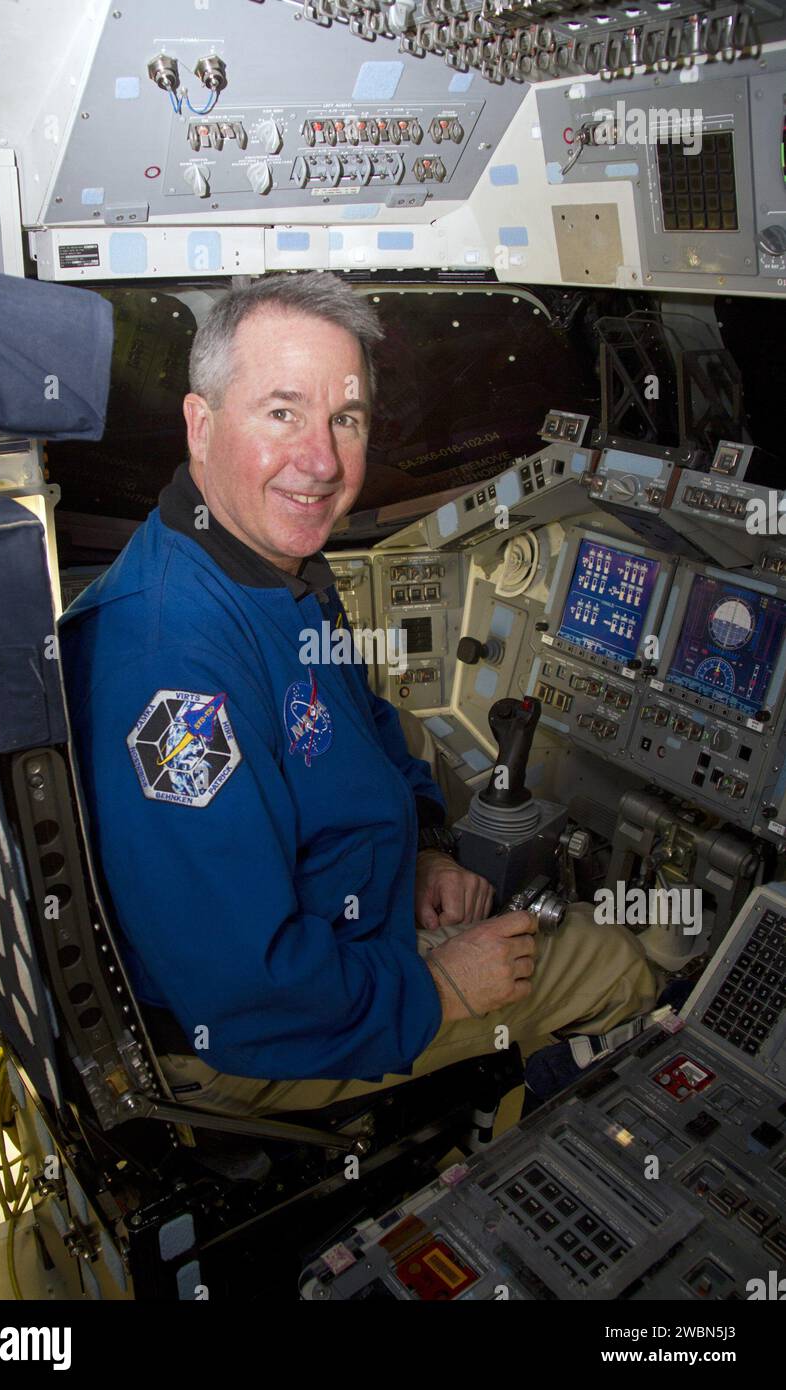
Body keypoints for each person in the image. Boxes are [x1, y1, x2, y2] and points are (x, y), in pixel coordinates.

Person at [59, 272, 660, 1117]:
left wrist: (418, 850)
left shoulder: (279, 561)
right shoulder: (174, 665)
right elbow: (244, 989)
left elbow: (360, 723)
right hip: (261, 1035)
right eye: (282, 412)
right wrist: (441, 985)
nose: (322, 461)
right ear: (201, 425)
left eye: (345, 418)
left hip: (332, 953)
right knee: (615, 958)